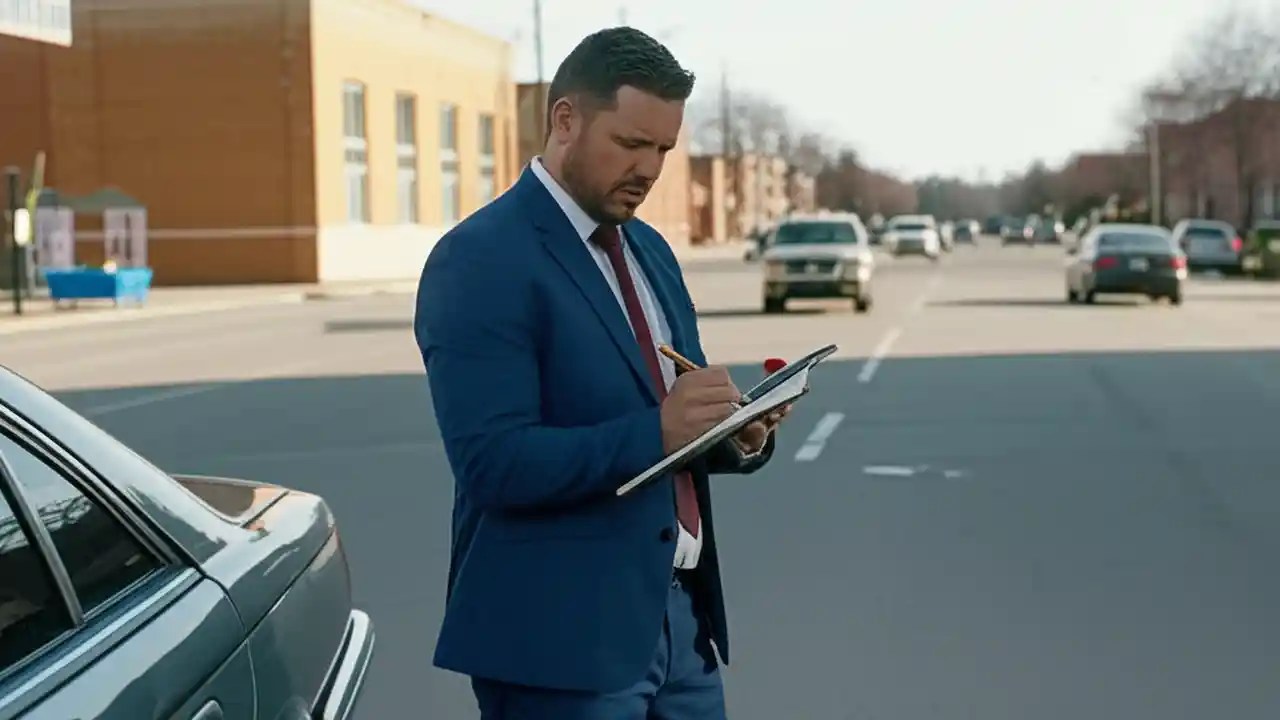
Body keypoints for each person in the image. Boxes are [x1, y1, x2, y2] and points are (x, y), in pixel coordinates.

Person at [415, 26, 789, 720]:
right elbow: (493, 463)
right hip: (557, 648)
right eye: (631, 143)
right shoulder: (479, 260)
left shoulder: (650, 251)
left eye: (665, 150)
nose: (649, 168)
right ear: (566, 119)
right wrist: (661, 429)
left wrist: (735, 433)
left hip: (681, 631)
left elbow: (672, 428)